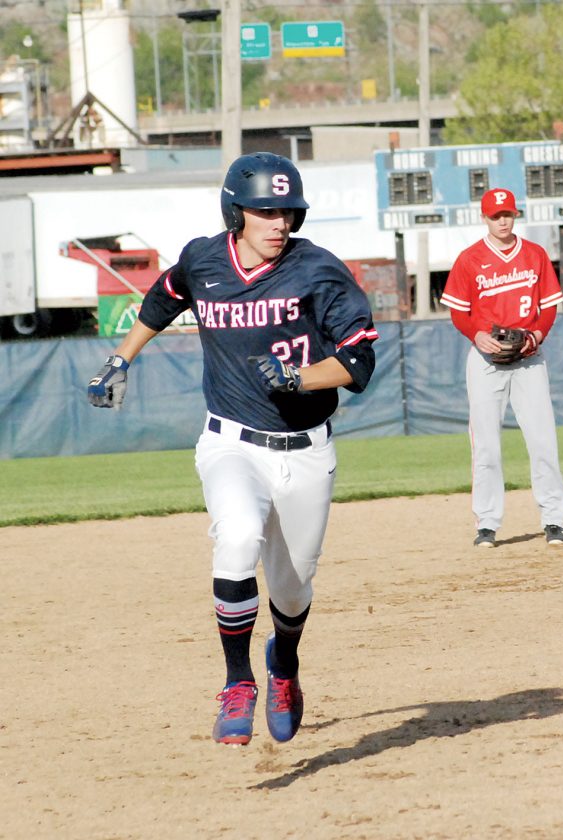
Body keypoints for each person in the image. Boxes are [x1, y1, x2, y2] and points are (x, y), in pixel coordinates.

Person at [87, 152, 378, 746]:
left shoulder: (318, 270)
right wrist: (121, 358)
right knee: (238, 536)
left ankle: (285, 667)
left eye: (287, 211)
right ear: (235, 211)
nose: (279, 222)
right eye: (265, 210)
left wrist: (299, 378)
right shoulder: (203, 260)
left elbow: (358, 359)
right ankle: (237, 681)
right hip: (229, 441)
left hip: (305, 450)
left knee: (293, 590)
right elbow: (161, 302)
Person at [440, 187, 563, 548]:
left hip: (530, 360)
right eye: (496, 216)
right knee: (486, 447)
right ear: (485, 218)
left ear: (515, 216)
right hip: (485, 361)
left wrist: (537, 336)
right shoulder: (469, 259)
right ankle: (487, 523)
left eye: (508, 215)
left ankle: (554, 519)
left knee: (543, 441)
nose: (502, 221)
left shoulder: (535, 255)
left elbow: (548, 307)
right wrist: (476, 334)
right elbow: (458, 312)